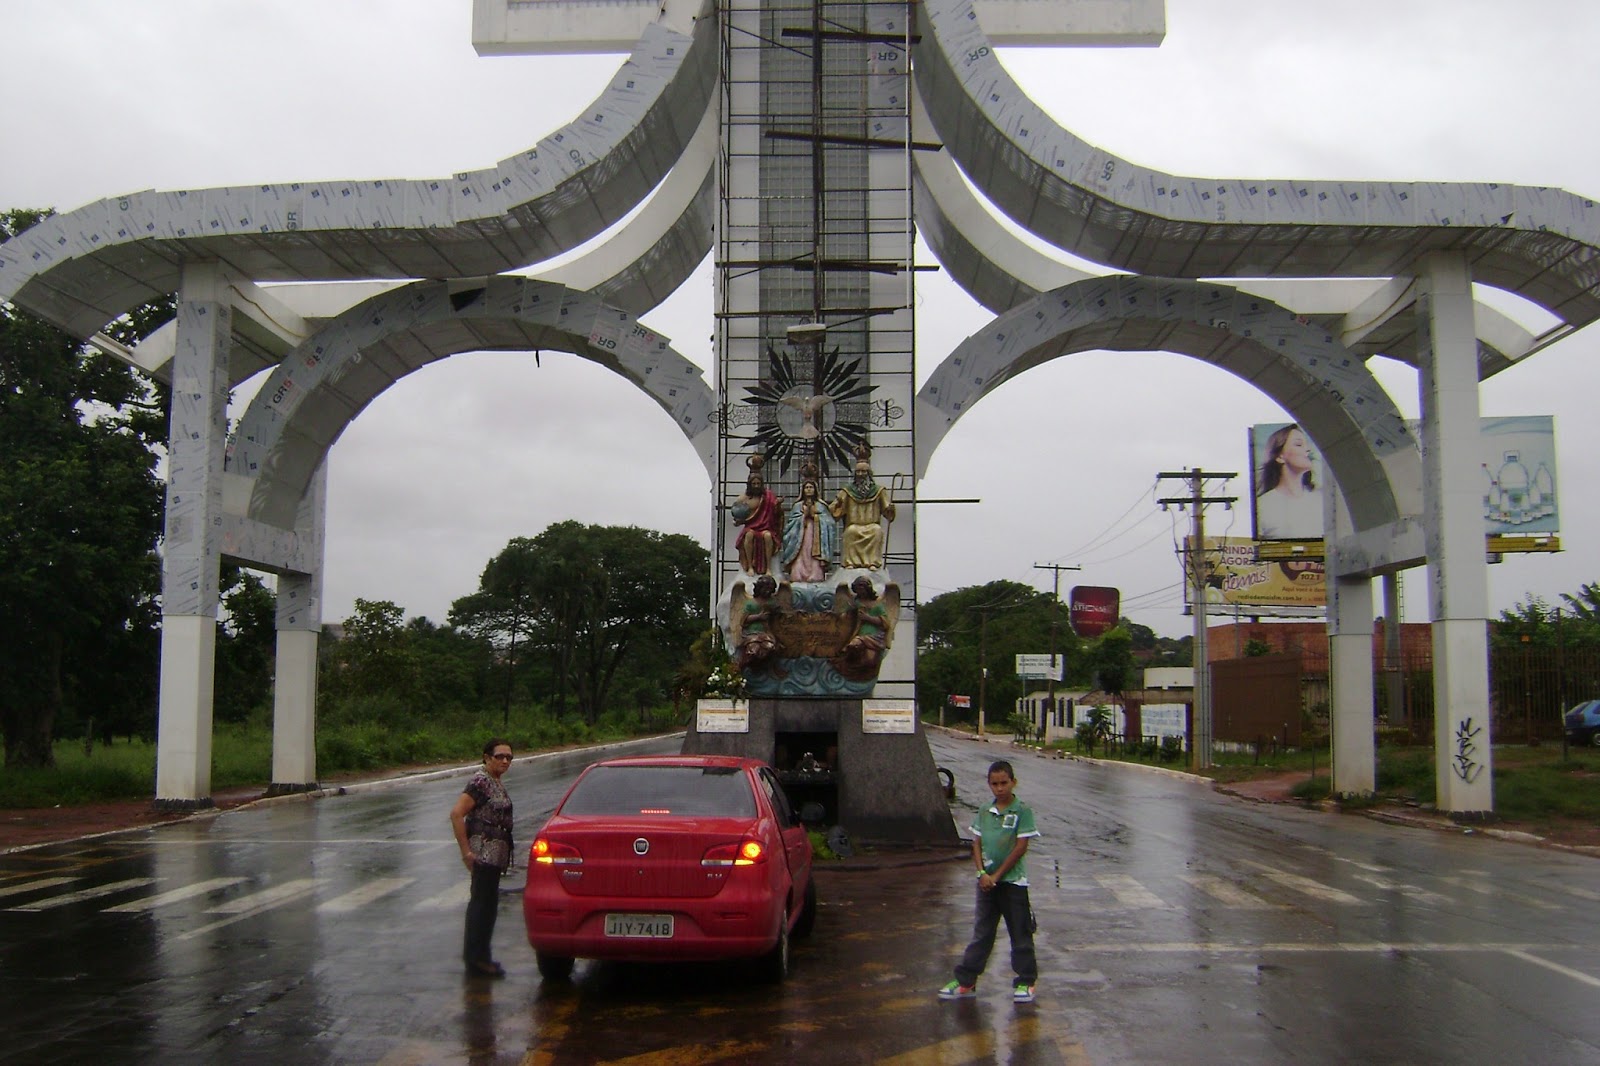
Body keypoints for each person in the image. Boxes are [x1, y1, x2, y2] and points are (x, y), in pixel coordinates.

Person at [938, 760, 1040, 1004]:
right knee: (982, 933)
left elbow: (1020, 847)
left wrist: (996, 876)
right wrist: (982, 873)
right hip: (986, 884)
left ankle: (1026, 981)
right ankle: (966, 981)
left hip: (1013, 883)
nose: (999, 788)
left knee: (1020, 932)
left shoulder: (1022, 811)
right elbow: (977, 843)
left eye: (1004, 783)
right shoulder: (984, 810)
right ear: (989, 785)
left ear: (1013, 782)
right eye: (994, 784)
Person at [450, 738, 515, 978]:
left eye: (509, 757)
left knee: (487, 906)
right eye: (500, 756)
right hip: (483, 853)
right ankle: (477, 960)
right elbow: (457, 814)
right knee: (482, 906)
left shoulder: (495, 781)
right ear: (486, 758)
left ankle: (480, 956)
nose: (505, 761)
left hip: (494, 855)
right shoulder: (481, 782)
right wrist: (466, 852)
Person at [828, 452, 895, 571]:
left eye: (863, 472)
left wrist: (890, 509)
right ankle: (850, 563)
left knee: (877, 530)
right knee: (850, 532)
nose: (860, 474)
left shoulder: (879, 491)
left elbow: (887, 512)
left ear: (869, 474)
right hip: (854, 525)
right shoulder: (848, 491)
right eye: (858, 472)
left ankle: (873, 563)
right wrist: (837, 504)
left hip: (872, 525)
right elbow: (834, 511)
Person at [1255, 423, 1322, 539]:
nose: (1308, 449)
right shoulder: (1263, 506)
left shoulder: (1321, 500)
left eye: (1307, 444)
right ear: (1280, 457)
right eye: (1299, 444)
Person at [780, 478, 839, 583]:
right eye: (806, 487)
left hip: (816, 534)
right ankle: (798, 573)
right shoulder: (797, 506)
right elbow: (790, 524)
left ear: (815, 490)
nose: (808, 490)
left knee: (812, 553)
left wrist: (815, 517)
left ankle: (815, 574)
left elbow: (830, 523)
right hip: (800, 535)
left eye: (811, 487)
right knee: (802, 553)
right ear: (802, 490)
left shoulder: (821, 506)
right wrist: (803, 516)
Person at [731, 469, 783, 577]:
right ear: (750, 485)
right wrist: (737, 521)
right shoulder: (744, 498)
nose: (756, 486)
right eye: (753, 484)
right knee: (749, 535)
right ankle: (750, 566)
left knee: (768, 536)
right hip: (751, 527)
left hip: (765, 527)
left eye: (758, 483)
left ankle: (768, 568)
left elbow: (776, 512)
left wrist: (777, 505)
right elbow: (738, 514)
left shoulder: (768, 496)